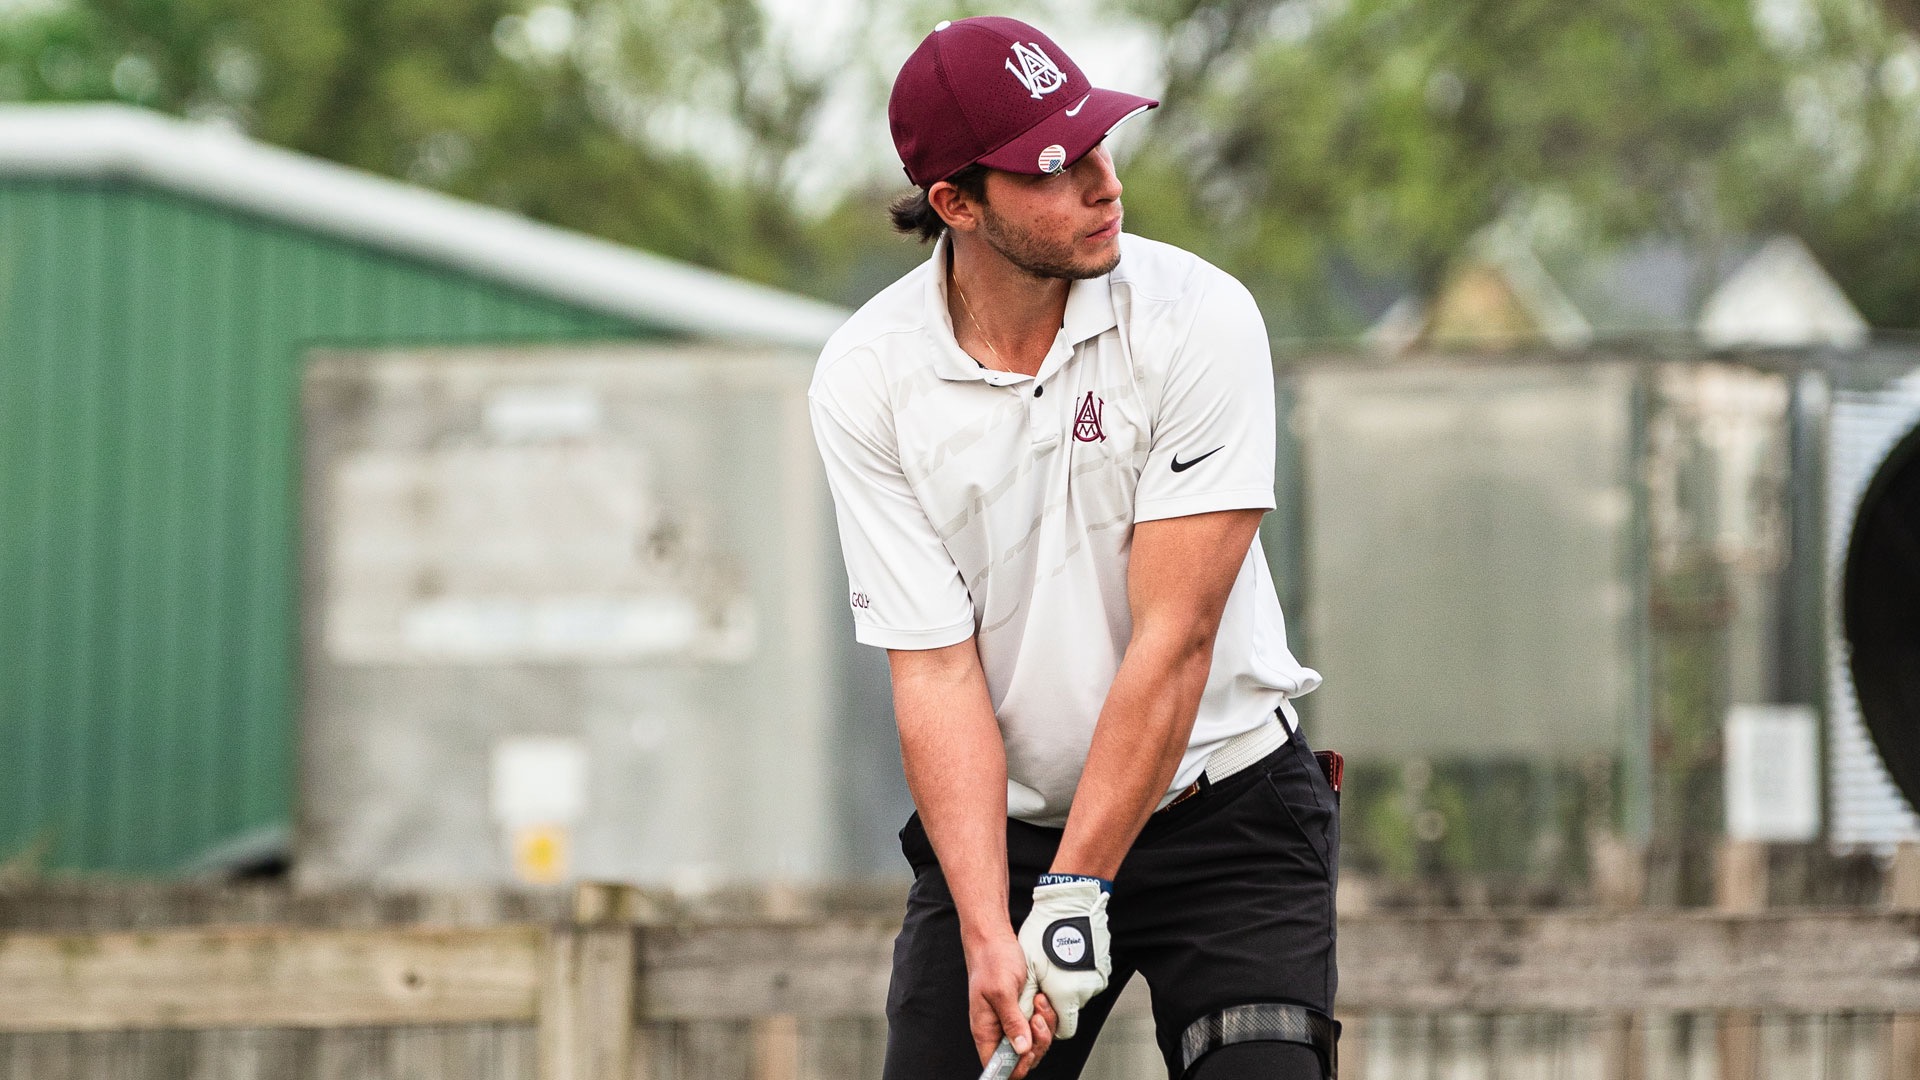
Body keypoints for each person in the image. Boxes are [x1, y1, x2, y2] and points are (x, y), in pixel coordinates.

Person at [808, 16, 1339, 1080]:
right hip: (1003, 841)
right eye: (1054, 167)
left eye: (1100, 144)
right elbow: (935, 667)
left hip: (1223, 810)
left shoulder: (1199, 320)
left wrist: (1080, 890)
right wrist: (987, 926)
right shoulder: (866, 379)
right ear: (957, 203)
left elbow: (1176, 641)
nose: (1104, 184)